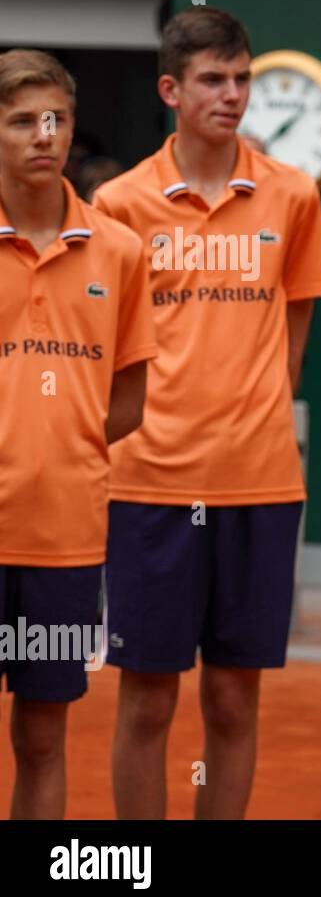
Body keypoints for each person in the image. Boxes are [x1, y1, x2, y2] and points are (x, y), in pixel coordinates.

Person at [92, 7, 321, 819]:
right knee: (149, 703)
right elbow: (109, 350)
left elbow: (295, 342)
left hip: (259, 484)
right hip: (149, 485)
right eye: (213, 80)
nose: (232, 95)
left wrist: (248, 411)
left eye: (242, 78)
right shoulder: (121, 204)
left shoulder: (293, 194)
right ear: (171, 89)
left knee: (233, 704)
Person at [0, 49, 156, 818]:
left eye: (55, 118)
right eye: (23, 120)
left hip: (64, 543)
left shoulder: (121, 251)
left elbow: (129, 399)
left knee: (42, 736)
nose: (44, 134)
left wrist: (55, 446)